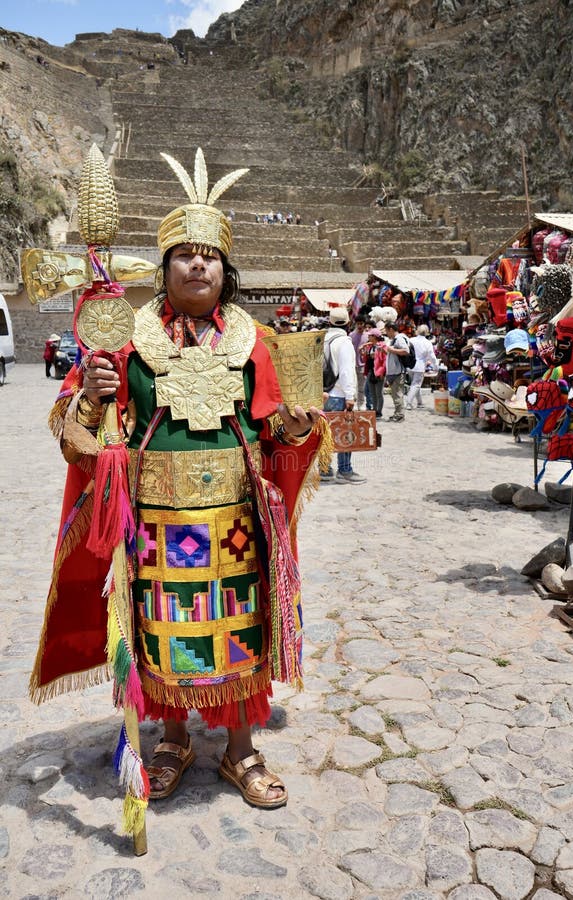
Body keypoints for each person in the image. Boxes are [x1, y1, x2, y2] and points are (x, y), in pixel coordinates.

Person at [30, 147, 324, 811]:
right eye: (185, 252)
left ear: (227, 268)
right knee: (160, 632)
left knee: (242, 629)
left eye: (211, 253)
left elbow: (279, 433)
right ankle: (170, 740)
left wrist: (301, 430)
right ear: (163, 267)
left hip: (238, 520)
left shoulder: (257, 342)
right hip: (156, 521)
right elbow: (78, 436)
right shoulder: (125, 340)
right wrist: (96, 398)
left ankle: (241, 749)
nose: (199, 262)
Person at [321, 307, 366, 484]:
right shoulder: (344, 342)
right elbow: (347, 371)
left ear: (329, 322)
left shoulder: (322, 339)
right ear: (348, 323)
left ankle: (324, 469)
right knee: (345, 433)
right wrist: (350, 396)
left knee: (325, 434)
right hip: (339, 394)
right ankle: (345, 471)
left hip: (323, 393)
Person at [406, 324, 439, 410]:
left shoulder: (411, 340)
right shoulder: (427, 343)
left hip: (410, 365)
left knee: (415, 385)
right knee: (416, 385)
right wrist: (436, 366)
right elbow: (432, 356)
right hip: (419, 366)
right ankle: (408, 403)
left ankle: (420, 402)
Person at [383, 321, 411, 421]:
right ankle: (397, 413)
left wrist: (391, 350)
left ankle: (400, 415)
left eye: (386, 330)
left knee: (398, 394)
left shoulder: (399, 338)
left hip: (398, 371)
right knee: (395, 394)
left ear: (391, 329)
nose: (386, 333)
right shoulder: (394, 339)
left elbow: (406, 351)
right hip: (394, 371)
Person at [361, 328, 387, 418]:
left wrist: (382, 372)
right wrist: (364, 352)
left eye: (370, 335)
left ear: (374, 336)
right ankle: (374, 410)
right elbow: (365, 359)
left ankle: (379, 411)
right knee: (372, 393)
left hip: (379, 372)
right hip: (370, 372)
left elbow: (384, 360)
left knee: (379, 393)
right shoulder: (370, 346)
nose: (368, 337)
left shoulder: (382, 346)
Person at [349, 317, 368, 409]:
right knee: (352, 385)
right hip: (352, 364)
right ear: (355, 324)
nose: (360, 326)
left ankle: (361, 403)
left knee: (361, 386)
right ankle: (353, 403)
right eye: (358, 323)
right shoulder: (351, 335)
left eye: (361, 323)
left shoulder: (368, 336)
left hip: (362, 365)